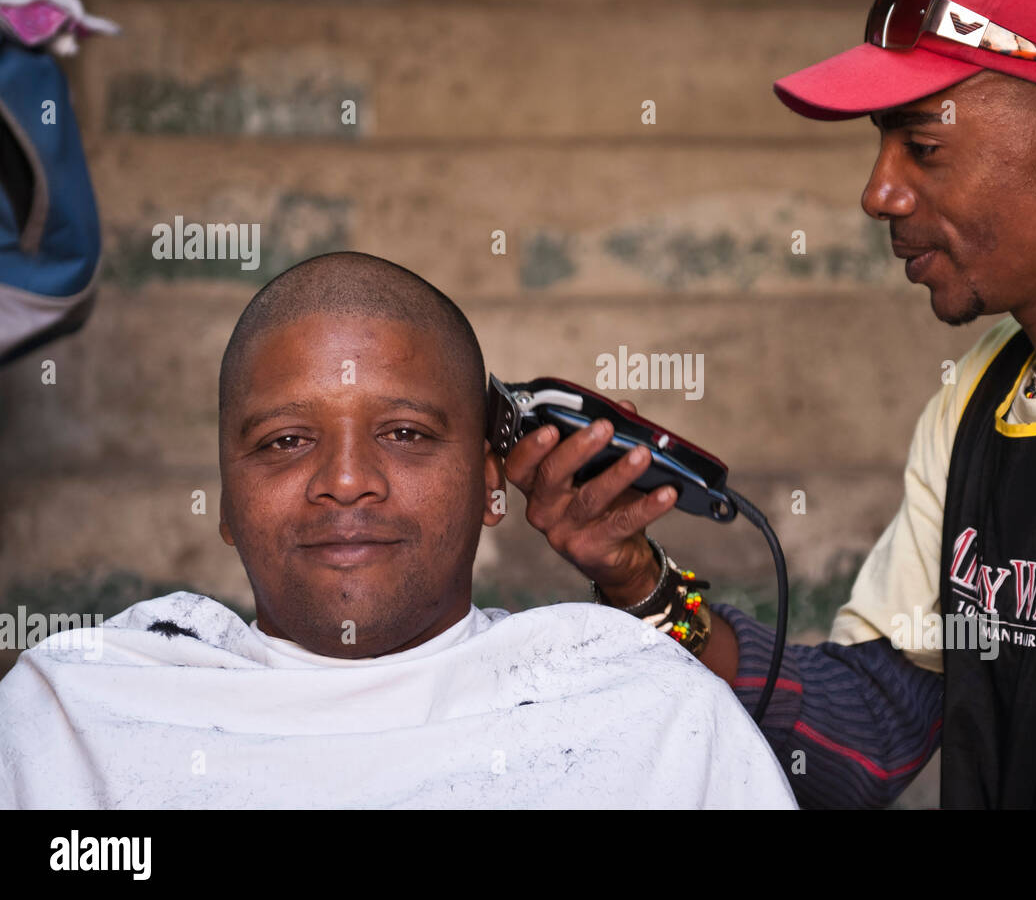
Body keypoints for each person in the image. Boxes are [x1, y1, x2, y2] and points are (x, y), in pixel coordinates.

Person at [501, 0, 1036, 808]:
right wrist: (641, 582)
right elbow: (872, 730)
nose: (878, 193)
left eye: (922, 145)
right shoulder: (980, 397)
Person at [0, 252, 796, 809]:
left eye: (406, 434)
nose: (346, 479)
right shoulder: (77, 720)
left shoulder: (649, 716)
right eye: (285, 442)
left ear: (492, 481)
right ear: (227, 507)